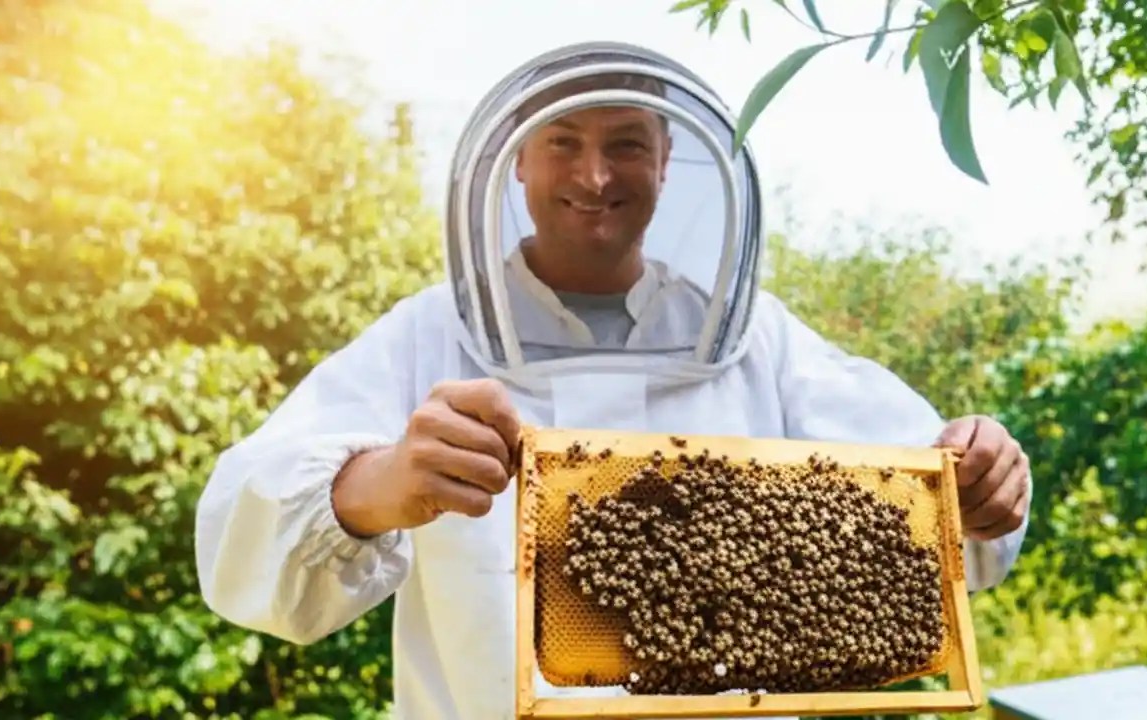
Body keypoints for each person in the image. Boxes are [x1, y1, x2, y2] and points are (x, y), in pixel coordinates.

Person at [195, 41, 1032, 720]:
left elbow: (945, 506)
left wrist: (981, 477)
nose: (594, 177)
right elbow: (239, 545)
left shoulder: (755, 341)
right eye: (564, 143)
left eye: (627, 144)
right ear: (516, 163)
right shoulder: (425, 336)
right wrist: (375, 484)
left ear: (668, 163)